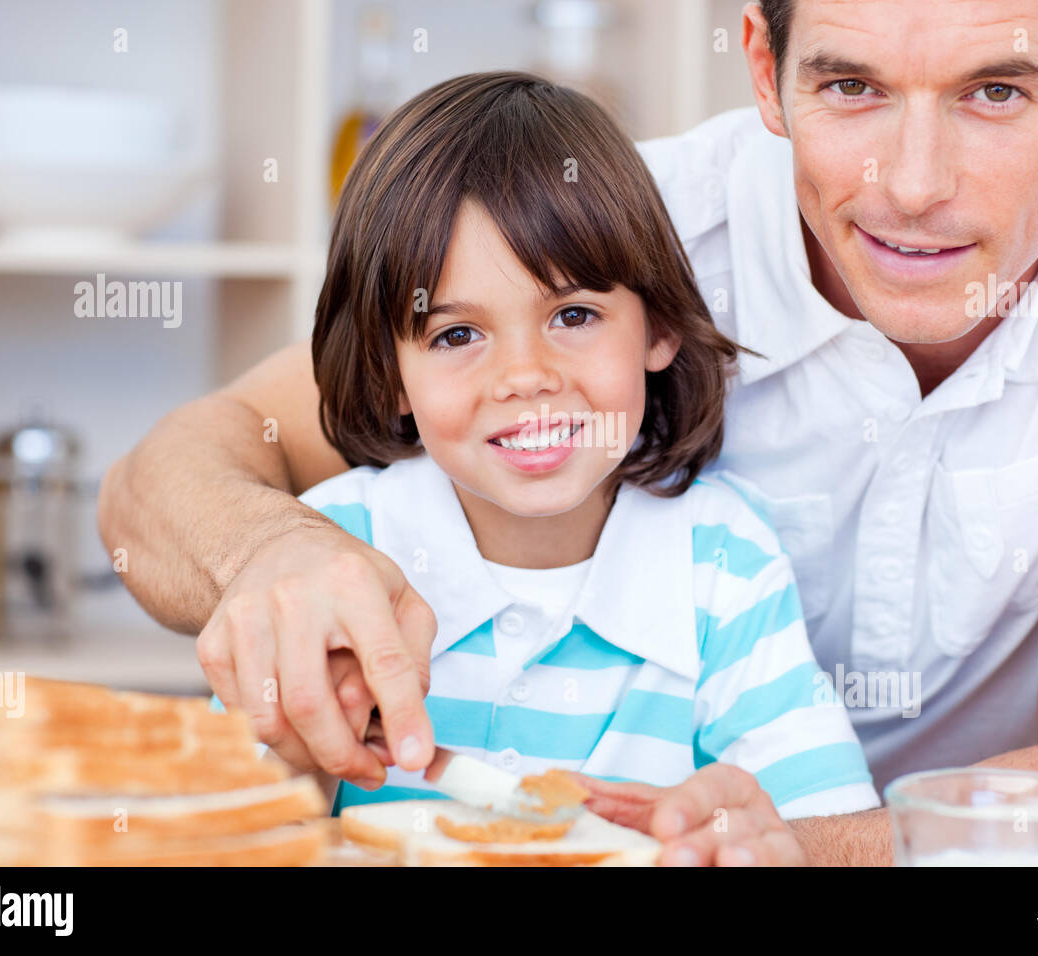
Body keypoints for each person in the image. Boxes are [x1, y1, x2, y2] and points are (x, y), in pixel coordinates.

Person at [99, 0, 1038, 865]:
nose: (913, 185)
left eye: (993, 92)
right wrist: (270, 551)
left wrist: (787, 848)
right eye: (849, 84)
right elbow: (172, 476)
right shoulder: (611, 229)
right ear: (763, 69)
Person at [211, 71, 879, 818]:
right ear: (390, 374)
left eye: (573, 316)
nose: (525, 377)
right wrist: (306, 755)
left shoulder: (723, 564)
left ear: (658, 326)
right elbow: (223, 835)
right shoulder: (328, 554)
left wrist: (749, 837)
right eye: (457, 335)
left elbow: (824, 831)